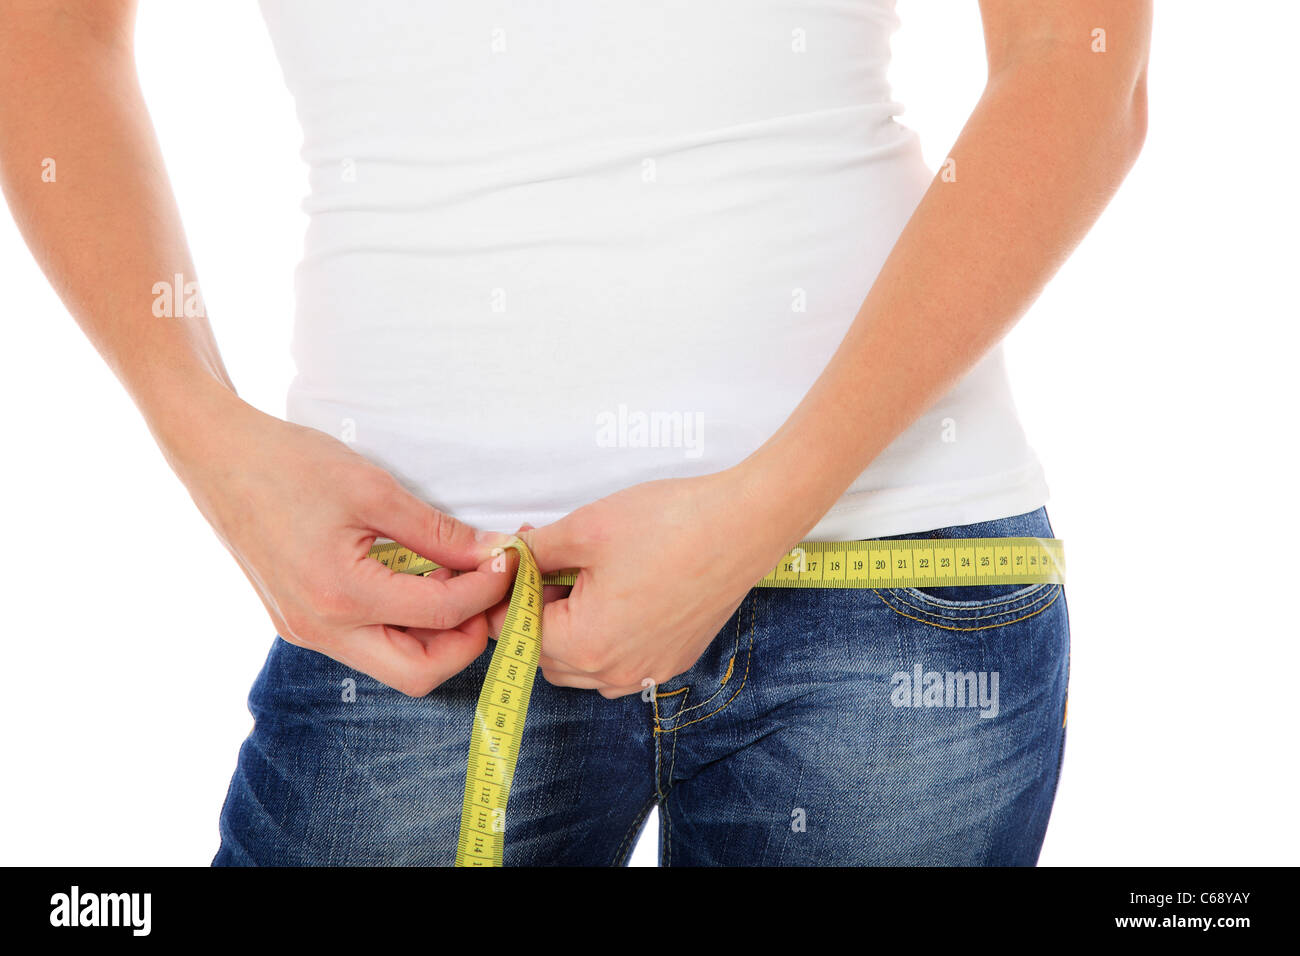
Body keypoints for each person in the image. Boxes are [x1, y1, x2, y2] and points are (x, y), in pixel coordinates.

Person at [0, 0, 1149, 865]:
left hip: (879, 570)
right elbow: (47, 31)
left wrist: (762, 504)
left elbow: (1086, 59)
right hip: (419, 602)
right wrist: (210, 439)